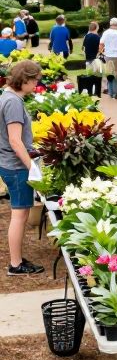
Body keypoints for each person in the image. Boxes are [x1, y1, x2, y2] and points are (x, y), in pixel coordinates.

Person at [0, 60, 45, 276]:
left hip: (10, 164)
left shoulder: (7, 97)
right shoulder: (13, 103)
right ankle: (16, 264)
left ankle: (17, 260)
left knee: (21, 212)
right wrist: (31, 166)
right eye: (35, 80)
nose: (36, 84)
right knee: (19, 214)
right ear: (25, 79)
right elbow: (15, 140)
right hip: (16, 167)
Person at [98, 18, 117, 100]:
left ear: (110, 24)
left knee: (109, 74)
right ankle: (115, 93)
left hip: (108, 55)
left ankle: (111, 92)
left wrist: (101, 52)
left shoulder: (106, 33)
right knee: (116, 75)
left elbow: (101, 43)